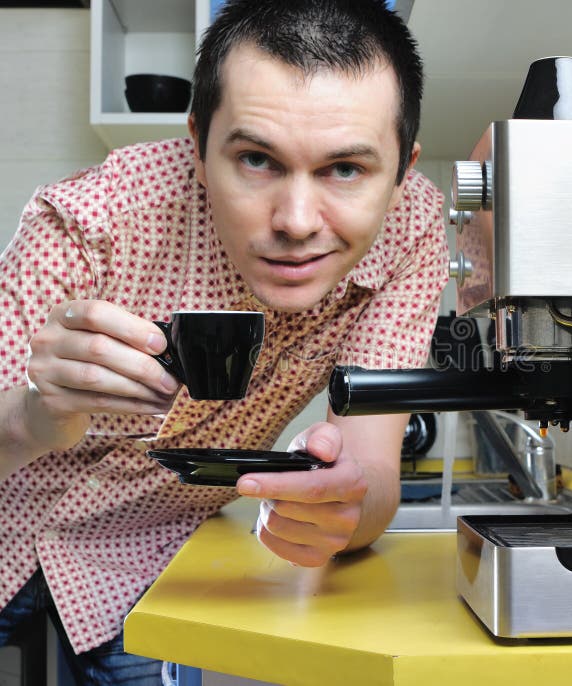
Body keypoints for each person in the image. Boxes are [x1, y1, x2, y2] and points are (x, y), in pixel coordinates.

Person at [0, 0, 449, 681]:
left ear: (402, 170)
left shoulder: (412, 230)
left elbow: (373, 473)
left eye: (346, 170)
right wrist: (36, 414)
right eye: (258, 160)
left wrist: (339, 509)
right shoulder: (90, 219)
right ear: (199, 149)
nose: (296, 222)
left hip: (148, 559)